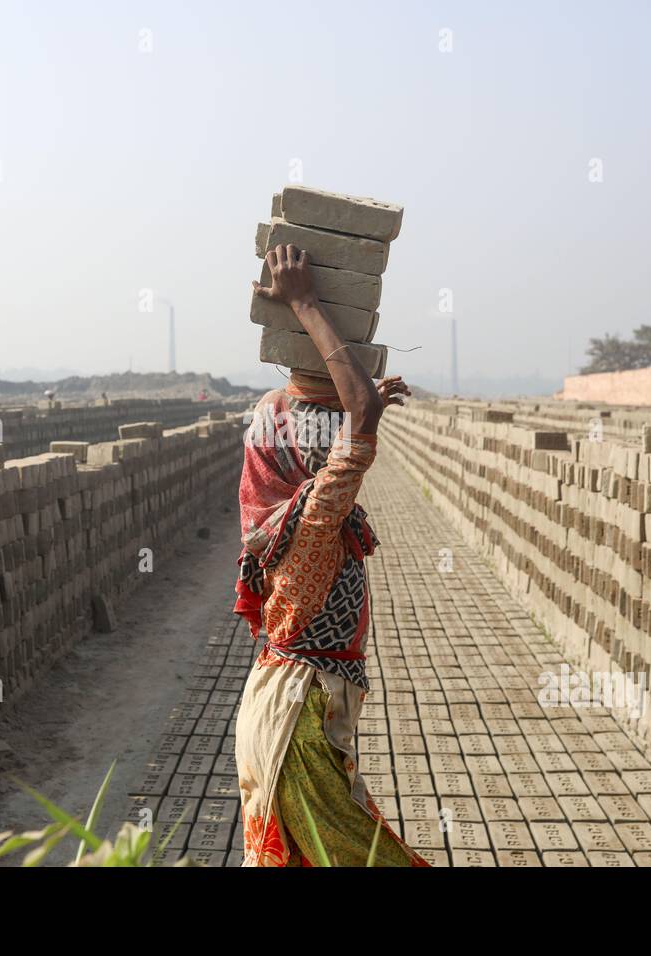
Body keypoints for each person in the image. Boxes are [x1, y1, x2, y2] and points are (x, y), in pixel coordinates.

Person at [234, 243, 420, 868]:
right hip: (301, 717)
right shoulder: (316, 519)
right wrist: (306, 303)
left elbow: (320, 408)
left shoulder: (276, 512)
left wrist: (353, 392)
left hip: (277, 700)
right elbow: (359, 410)